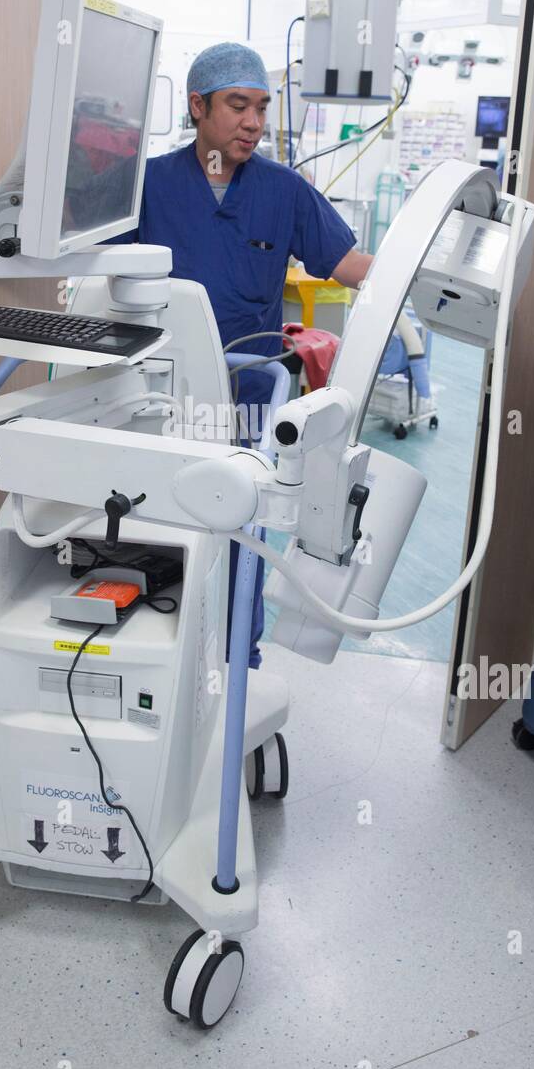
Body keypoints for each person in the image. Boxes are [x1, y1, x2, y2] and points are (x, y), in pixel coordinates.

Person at [116, 41, 372, 668]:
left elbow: (347, 265)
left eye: (261, 107)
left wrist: (429, 277)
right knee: (163, 527)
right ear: (197, 106)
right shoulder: (147, 187)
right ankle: (166, 664)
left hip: (248, 405)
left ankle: (237, 665)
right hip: (163, 397)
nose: (254, 122)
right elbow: (99, 274)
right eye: (238, 106)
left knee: (240, 535)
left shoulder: (284, 191)